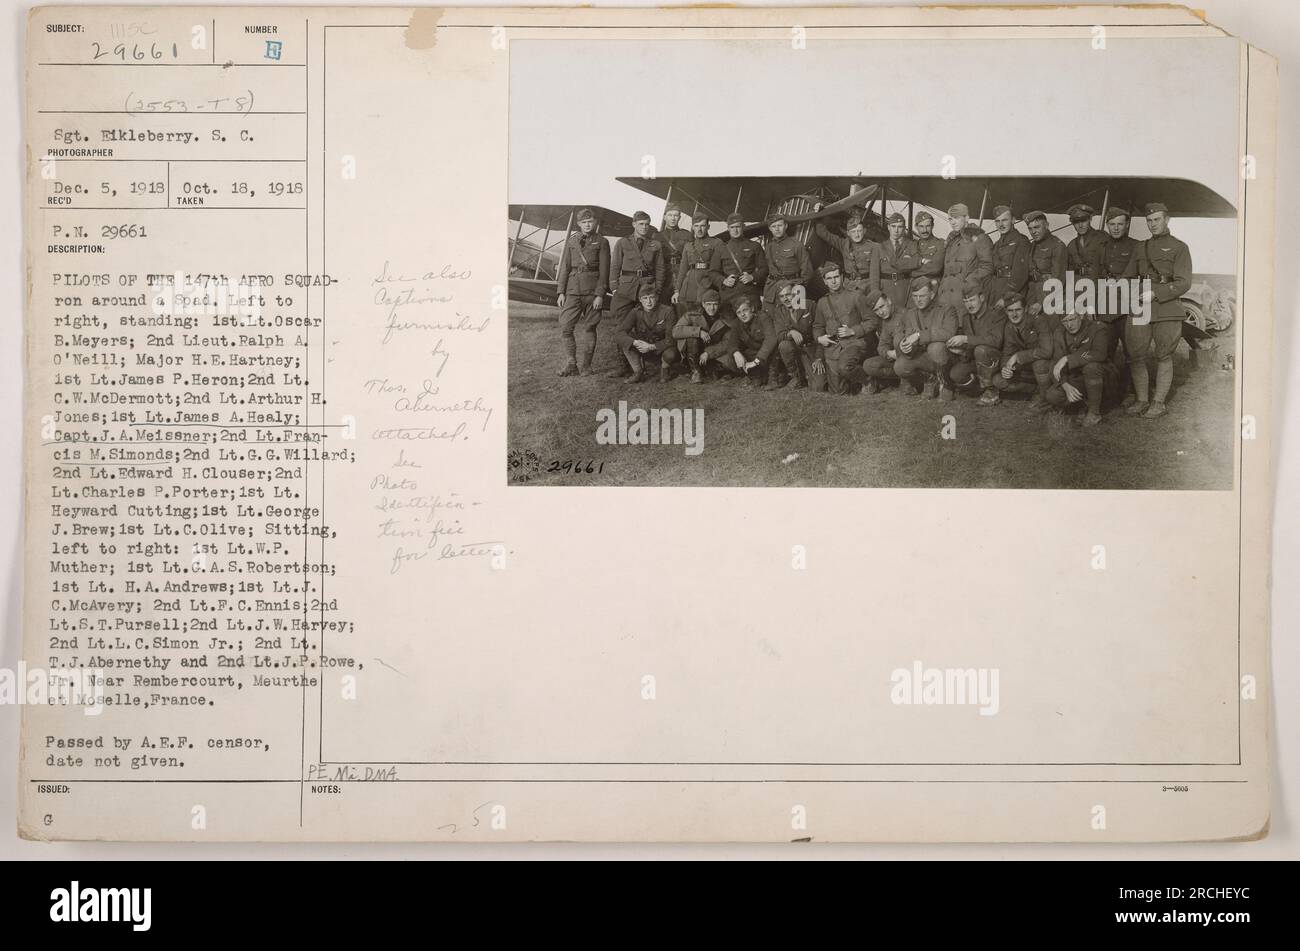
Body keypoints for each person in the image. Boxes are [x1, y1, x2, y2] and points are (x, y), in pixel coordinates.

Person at [1127, 202, 1192, 419]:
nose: (1153, 224)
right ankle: (1142, 399)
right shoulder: (1140, 247)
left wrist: (1156, 294)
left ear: (1166, 220)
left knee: (1163, 355)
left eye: (1157, 219)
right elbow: (1129, 275)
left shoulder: (1179, 247)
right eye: (1149, 220)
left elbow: (1184, 282)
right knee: (1136, 355)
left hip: (1167, 306)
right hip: (1141, 305)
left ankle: (1159, 403)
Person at [606, 211, 667, 376]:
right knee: (621, 326)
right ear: (634, 224)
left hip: (646, 289)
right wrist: (614, 287)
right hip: (625, 290)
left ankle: (645, 364)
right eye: (641, 224)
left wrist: (658, 288)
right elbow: (615, 266)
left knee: (645, 325)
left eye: (647, 224)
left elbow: (661, 269)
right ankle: (623, 366)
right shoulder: (622, 243)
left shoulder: (655, 245)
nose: (644, 227)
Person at [553, 208, 609, 377]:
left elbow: (604, 270)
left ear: (595, 222)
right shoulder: (572, 241)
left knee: (590, 327)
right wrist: (561, 291)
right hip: (573, 291)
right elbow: (565, 267)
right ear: (579, 224)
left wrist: (600, 294)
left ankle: (586, 366)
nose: (587, 225)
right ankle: (571, 364)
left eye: (590, 221)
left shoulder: (602, 242)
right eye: (584, 222)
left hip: (592, 292)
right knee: (566, 327)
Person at [1039, 307, 1116, 427]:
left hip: (1103, 377)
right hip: (1078, 377)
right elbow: (1055, 362)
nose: (1069, 325)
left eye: (1072, 319)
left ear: (1081, 316)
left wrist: (1068, 359)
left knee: (1091, 367)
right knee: (1052, 395)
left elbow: (1100, 354)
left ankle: (1094, 412)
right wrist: (1065, 385)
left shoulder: (1097, 328)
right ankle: (1083, 405)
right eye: (1065, 321)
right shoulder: (1059, 333)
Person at [812, 262, 877, 394]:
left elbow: (873, 320)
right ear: (825, 281)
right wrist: (820, 338)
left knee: (845, 367)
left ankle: (868, 380)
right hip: (833, 348)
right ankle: (853, 381)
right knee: (839, 391)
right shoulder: (822, 302)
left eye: (836, 277)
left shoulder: (855, 296)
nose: (834, 281)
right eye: (829, 278)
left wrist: (853, 330)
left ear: (842, 277)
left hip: (854, 343)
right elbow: (817, 326)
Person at [893, 275, 959, 399]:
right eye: (915, 296)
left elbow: (949, 333)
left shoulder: (947, 309)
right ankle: (930, 380)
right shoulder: (910, 314)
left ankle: (946, 384)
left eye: (922, 296)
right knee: (900, 366)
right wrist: (905, 344)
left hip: (945, 357)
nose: (918, 300)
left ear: (932, 295)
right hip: (924, 358)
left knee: (936, 348)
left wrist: (918, 335)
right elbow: (905, 334)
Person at [946, 277, 1007, 406]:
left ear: (982, 298)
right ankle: (981, 388)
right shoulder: (966, 318)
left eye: (972, 300)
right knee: (956, 374)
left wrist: (966, 339)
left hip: (996, 359)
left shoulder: (996, 315)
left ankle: (991, 391)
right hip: (977, 359)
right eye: (966, 301)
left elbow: (996, 341)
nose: (969, 305)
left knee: (981, 349)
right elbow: (971, 346)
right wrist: (962, 351)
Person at [760, 280, 824, 391]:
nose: (786, 299)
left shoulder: (809, 305)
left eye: (788, 294)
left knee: (819, 386)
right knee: (784, 345)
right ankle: (797, 377)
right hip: (797, 351)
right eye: (782, 296)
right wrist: (790, 333)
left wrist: (819, 357)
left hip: (812, 348)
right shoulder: (779, 311)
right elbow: (780, 335)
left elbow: (821, 330)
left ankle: (809, 374)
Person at [616, 281, 680, 384]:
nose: (649, 302)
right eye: (645, 298)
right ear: (640, 300)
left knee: (671, 354)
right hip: (643, 347)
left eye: (651, 297)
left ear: (657, 298)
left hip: (661, 349)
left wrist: (651, 347)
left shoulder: (668, 311)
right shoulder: (636, 312)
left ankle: (665, 369)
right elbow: (620, 333)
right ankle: (638, 372)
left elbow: (671, 339)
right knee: (625, 339)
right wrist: (635, 342)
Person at [992, 291, 1049, 404]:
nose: (1014, 314)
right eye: (1010, 311)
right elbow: (1007, 353)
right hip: (1028, 369)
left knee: (1040, 364)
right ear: (1006, 312)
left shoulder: (1038, 321)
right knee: (998, 380)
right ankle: (1035, 391)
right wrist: (1005, 368)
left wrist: (1018, 356)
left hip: (1046, 367)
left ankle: (1045, 398)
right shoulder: (1009, 327)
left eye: (1018, 310)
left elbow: (1047, 350)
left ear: (1025, 309)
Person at [813, 207, 880, 301]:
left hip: (866, 287)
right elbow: (822, 232)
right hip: (849, 287)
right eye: (853, 232)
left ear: (864, 231)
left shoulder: (874, 247)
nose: (857, 235)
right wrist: (820, 214)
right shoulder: (844, 244)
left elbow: (875, 274)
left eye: (859, 231)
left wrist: (874, 293)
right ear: (848, 233)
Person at [938, 202, 993, 310]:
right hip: (945, 299)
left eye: (956, 218)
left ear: (967, 218)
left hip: (965, 299)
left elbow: (988, 266)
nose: (953, 222)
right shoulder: (951, 241)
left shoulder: (979, 238)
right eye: (950, 219)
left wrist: (969, 281)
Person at [703, 296, 769, 386]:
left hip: (766, 354)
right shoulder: (737, 323)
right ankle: (754, 376)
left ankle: (770, 376)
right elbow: (732, 343)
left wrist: (756, 361)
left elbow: (770, 341)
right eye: (739, 312)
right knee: (733, 358)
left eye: (745, 310)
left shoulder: (763, 318)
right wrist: (736, 353)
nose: (742, 315)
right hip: (753, 354)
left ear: (752, 308)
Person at [717, 212, 767, 316]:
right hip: (729, 294)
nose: (735, 230)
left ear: (743, 227)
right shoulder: (721, 248)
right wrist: (724, 280)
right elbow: (713, 272)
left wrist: (753, 277)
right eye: (732, 227)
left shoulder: (755, 246)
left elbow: (764, 268)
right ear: (728, 228)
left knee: (753, 323)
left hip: (748, 293)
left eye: (738, 227)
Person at [673, 216, 724, 316]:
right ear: (692, 227)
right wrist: (677, 290)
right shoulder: (688, 245)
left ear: (708, 227)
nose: (699, 229)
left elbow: (720, 268)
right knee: (686, 316)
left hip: (707, 285)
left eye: (702, 226)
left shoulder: (716, 243)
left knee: (705, 317)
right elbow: (682, 270)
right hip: (688, 287)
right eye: (696, 226)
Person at [762, 212, 814, 306]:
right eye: (773, 226)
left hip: (793, 287)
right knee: (772, 315)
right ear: (770, 228)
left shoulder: (796, 244)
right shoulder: (768, 247)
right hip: (773, 288)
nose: (777, 229)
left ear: (785, 226)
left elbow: (807, 271)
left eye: (780, 225)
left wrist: (798, 286)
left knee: (797, 316)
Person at [1024, 209, 1067, 322]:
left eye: (1037, 227)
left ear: (1046, 225)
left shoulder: (1057, 246)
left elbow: (1058, 279)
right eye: (1030, 228)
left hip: (1050, 298)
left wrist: (1041, 302)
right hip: (1032, 294)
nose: (1033, 232)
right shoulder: (1033, 245)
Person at [671, 288, 721, 384]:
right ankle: (695, 371)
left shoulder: (722, 318)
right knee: (692, 338)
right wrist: (698, 332)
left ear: (719, 305)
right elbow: (675, 331)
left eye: (715, 304)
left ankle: (710, 367)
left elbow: (727, 340)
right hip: (692, 351)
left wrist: (708, 353)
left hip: (710, 351)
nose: (712, 308)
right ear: (703, 304)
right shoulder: (692, 315)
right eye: (709, 304)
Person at [861, 290, 904, 393]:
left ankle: (911, 380)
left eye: (882, 306)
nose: (880, 312)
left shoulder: (904, 314)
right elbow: (881, 346)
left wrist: (898, 353)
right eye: (876, 310)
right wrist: (888, 353)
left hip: (910, 358)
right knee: (868, 365)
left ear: (888, 301)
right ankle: (896, 380)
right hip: (896, 358)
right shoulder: (885, 320)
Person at [988, 204, 1030, 308]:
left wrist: (1006, 297)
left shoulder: (1021, 241)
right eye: (997, 221)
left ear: (1013, 220)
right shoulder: (996, 245)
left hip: (1013, 295)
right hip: (996, 292)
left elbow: (1020, 274)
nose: (1001, 224)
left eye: (1004, 220)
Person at [877, 212, 920, 311]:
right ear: (888, 227)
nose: (896, 230)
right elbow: (875, 273)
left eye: (900, 227)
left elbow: (916, 266)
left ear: (904, 228)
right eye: (893, 226)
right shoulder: (880, 247)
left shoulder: (912, 245)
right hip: (885, 289)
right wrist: (876, 293)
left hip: (904, 288)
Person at [1065, 203, 1107, 290]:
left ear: (1090, 219)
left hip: (1098, 288)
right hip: (1078, 288)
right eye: (1076, 222)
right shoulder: (1071, 245)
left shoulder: (1103, 238)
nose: (1080, 225)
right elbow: (1069, 273)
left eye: (1083, 220)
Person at [655, 202, 692, 299]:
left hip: (681, 273)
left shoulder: (687, 235)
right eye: (670, 215)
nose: (673, 218)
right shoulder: (656, 236)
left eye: (676, 215)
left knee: (681, 304)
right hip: (664, 274)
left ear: (679, 217)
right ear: (664, 217)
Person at [912, 210, 945, 295]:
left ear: (932, 226)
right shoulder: (913, 245)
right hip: (914, 289)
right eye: (921, 226)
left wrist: (912, 272)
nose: (924, 230)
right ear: (916, 227)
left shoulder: (940, 244)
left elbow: (935, 268)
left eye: (928, 226)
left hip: (932, 288)